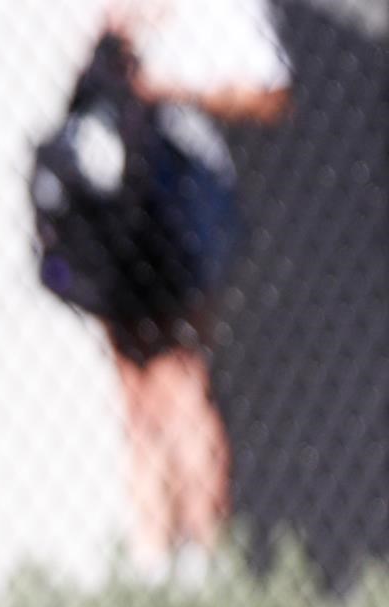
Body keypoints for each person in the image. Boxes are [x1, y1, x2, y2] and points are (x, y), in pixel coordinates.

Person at [101, 0, 291, 576]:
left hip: (187, 209)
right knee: (138, 393)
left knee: (182, 381)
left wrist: (173, 92)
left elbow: (269, 94)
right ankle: (152, 563)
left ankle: (202, 565)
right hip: (122, 207)